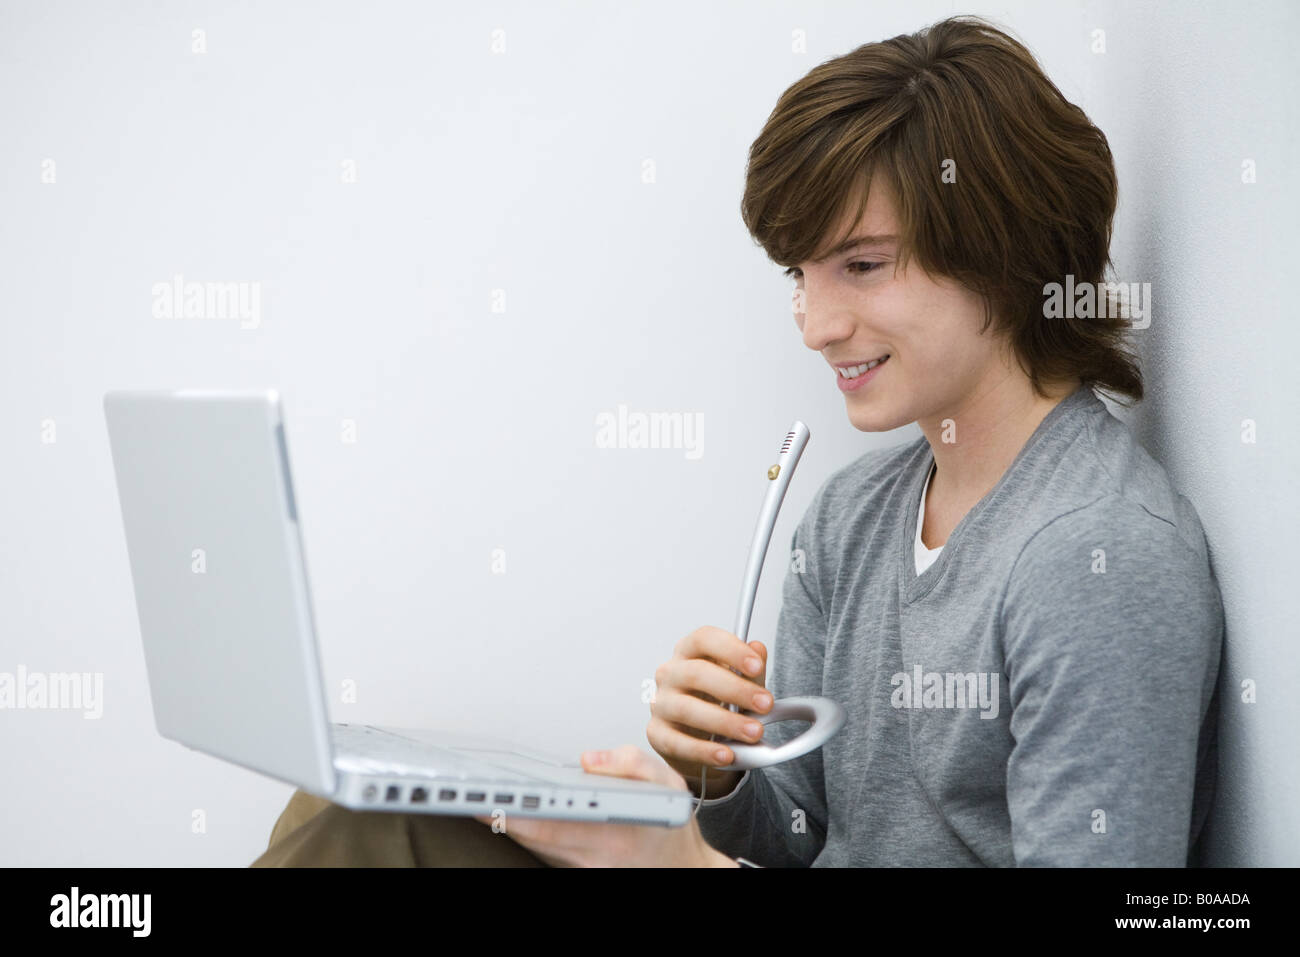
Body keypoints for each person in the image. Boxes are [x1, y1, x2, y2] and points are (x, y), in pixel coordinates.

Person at [253, 14, 1223, 868]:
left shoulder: (1097, 555)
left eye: (861, 265)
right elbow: (798, 834)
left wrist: (683, 865)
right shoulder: (850, 518)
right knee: (353, 813)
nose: (815, 326)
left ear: (1004, 256)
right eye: (801, 276)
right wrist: (715, 775)